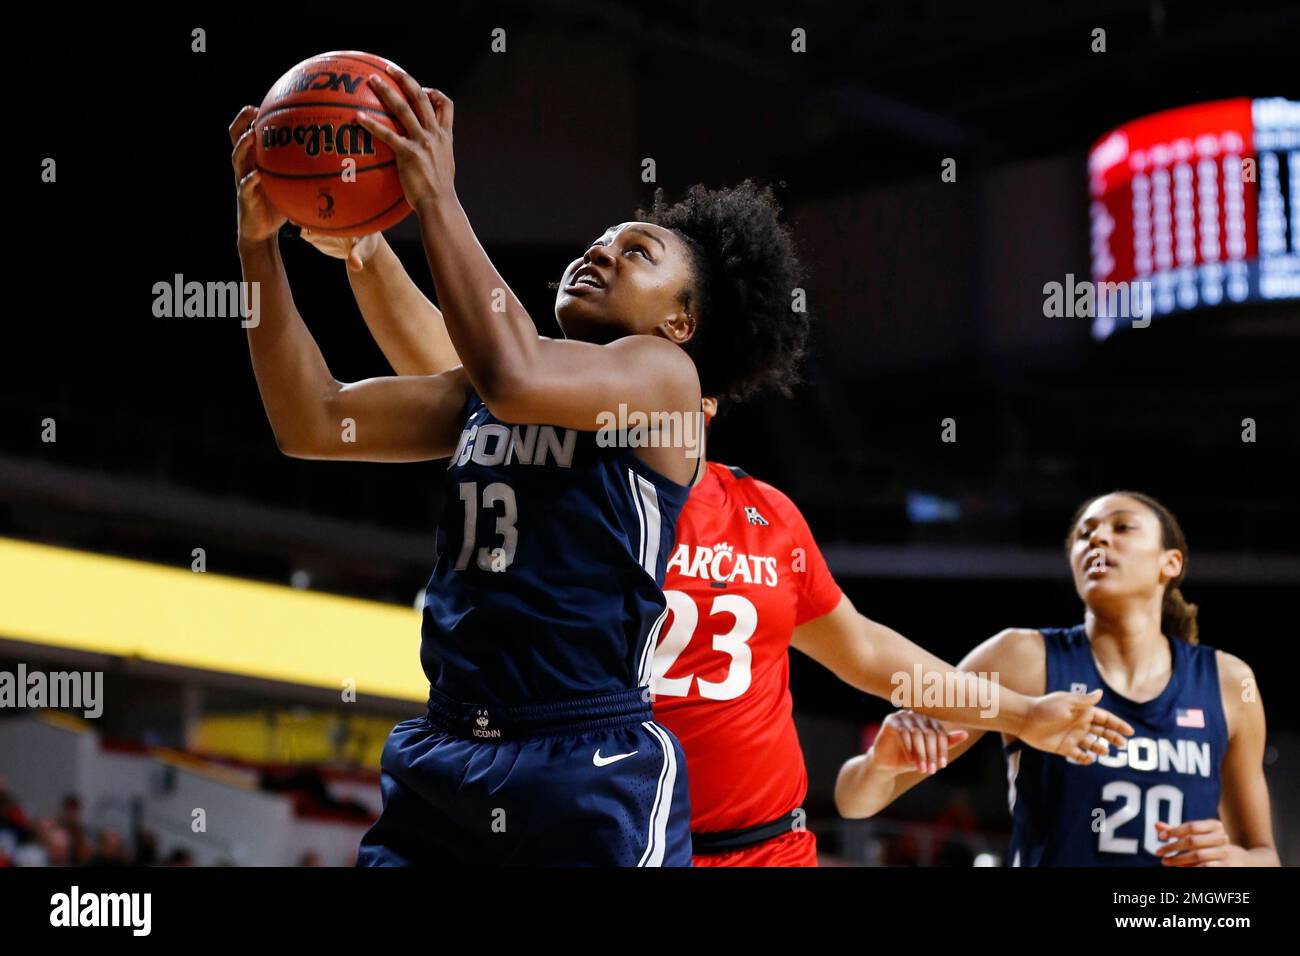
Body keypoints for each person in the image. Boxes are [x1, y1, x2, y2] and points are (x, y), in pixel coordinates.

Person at [291, 177, 1137, 870]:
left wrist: (1018, 716)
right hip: (612, 828)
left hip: (762, 846)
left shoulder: (764, 515)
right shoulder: (567, 483)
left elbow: (873, 656)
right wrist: (365, 248)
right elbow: (463, 364)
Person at [230, 62, 801, 865]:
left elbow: (513, 369)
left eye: (636, 252)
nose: (601, 252)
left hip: (585, 767)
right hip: (446, 748)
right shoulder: (493, 383)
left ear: (682, 320)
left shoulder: (665, 383)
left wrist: (434, 194)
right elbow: (313, 420)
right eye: (599, 241)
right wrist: (259, 249)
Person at [835, 491, 1281, 867]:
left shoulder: (1229, 681)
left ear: (1170, 562)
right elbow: (855, 801)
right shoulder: (1021, 659)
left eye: (1122, 527)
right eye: (1084, 534)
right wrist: (879, 765)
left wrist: (1233, 859)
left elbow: (1265, 855)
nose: (1097, 538)